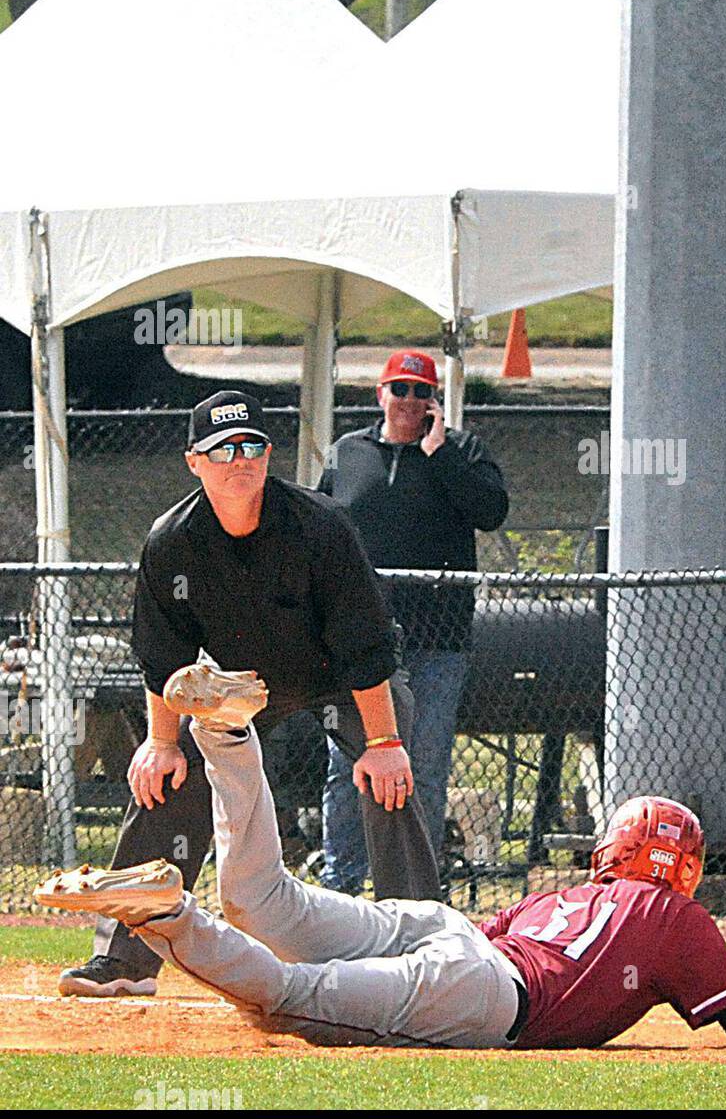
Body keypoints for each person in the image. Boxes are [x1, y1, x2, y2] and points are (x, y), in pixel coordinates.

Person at [36, 699, 726, 1052]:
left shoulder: (567, 894)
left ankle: (225, 740)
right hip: (491, 996)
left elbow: (484, 933)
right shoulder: (679, 921)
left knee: (264, 899)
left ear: (614, 851)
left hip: (455, 927)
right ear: (682, 867)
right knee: (286, 996)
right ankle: (165, 914)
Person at [58, 390, 441, 999]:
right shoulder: (172, 541)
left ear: (268, 455)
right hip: (243, 687)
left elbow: (365, 646)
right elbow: (164, 659)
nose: (239, 460)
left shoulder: (319, 526)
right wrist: (161, 743)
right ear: (194, 461)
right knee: (165, 777)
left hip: (343, 678)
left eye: (252, 447)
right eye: (222, 449)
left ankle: (433, 948)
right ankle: (125, 961)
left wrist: (384, 742)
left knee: (385, 778)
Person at [317, 349, 508, 889]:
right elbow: (319, 523)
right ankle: (342, 883)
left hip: (436, 639)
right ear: (380, 394)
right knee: (348, 766)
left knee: (422, 767)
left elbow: (491, 513)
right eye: (399, 390)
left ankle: (414, 887)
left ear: (435, 402)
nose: (408, 402)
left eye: (421, 392)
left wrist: (440, 453)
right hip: (360, 640)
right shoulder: (347, 452)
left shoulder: (461, 451)